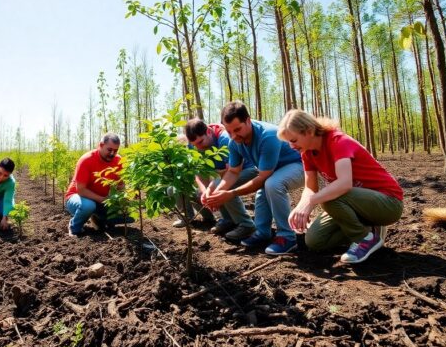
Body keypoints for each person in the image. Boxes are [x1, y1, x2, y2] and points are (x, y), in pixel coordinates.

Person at [277, 109, 403, 264]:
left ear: (309, 131)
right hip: (355, 203)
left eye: (294, 140)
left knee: (329, 197)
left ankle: (365, 239)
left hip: (388, 203)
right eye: (288, 141)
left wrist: (312, 201)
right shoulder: (307, 153)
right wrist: (300, 207)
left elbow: (344, 183)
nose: (291, 146)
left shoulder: (337, 141)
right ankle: (368, 229)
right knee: (315, 241)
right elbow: (310, 188)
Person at [207, 101, 305, 254]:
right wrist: (216, 193)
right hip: (273, 171)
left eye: (237, 129)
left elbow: (263, 177)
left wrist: (231, 194)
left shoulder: (269, 135)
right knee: (264, 191)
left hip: (299, 166)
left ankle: (287, 237)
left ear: (248, 120)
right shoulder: (234, 141)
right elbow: (233, 172)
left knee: (272, 184)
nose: (233, 136)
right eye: (229, 131)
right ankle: (262, 232)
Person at [172, 118, 254, 230]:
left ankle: (245, 225)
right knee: (202, 191)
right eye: (195, 145)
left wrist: (211, 188)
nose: (198, 147)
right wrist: (204, 192)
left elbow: (230, 172)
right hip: (224, 174)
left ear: (209, 132)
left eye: (201, 142)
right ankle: (227, 220)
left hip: (247, 169)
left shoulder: (224, 139)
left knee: (222, 187)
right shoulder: (194, 145)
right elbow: (200, 172)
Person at [64, 133, 122, 236]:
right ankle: (74, 227)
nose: (112, 153)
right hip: (77, 197)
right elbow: (81, 190)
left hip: (101, 199)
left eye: (115, 150)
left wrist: (121, 200)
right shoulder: (86, 160)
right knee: (88, 206)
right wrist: (102, 199)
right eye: (109, 150)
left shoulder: (118, 161)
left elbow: (121, 185)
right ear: (100, 145)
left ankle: (98, 219)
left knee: (127, 216)